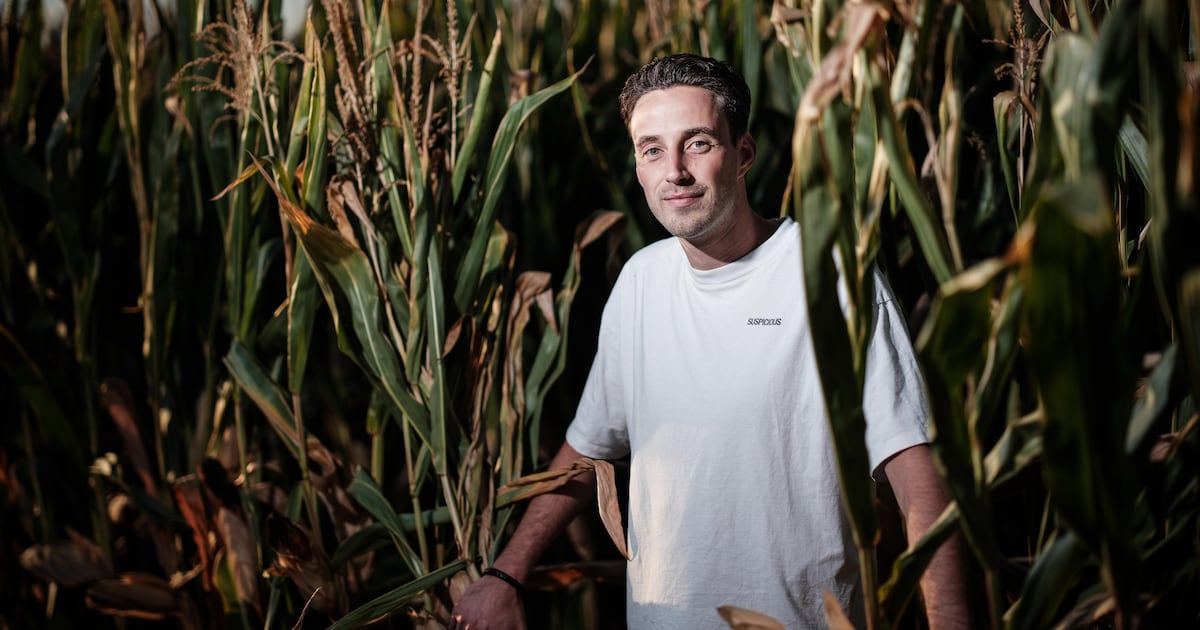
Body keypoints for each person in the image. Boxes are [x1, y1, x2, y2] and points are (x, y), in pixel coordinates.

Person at [450, 54, 969, 629]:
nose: (674, 171)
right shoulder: (640, 283)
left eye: (697, 144)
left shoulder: (827, 276)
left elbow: (917, 478)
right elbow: (590, 448)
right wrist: (505, 575)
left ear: (743, 154)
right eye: (652, 150)